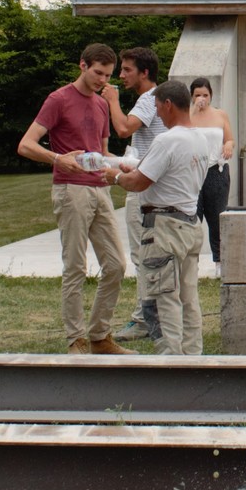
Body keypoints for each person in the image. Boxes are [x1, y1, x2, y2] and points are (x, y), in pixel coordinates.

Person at [18, 42, 133, 355]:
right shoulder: (58, 99)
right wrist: (58, 159)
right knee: (75, 267)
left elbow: (103, 150)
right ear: (82, 65)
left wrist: (120, 163)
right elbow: (26, 145)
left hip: (100, 188)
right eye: (98, 73)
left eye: (108, 76)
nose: (102, 80)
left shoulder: (100, 104)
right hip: (71, 189)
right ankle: (76, 340)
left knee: (116, 265)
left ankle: (99, 336)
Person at [107, 80, 212, 355]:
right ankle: (192, 356)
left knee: (162, 296)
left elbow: (139, 183)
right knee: (189, 297)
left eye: (157, 108)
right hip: (190, 222)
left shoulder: (167, 139)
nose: (157, 115)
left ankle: (171, 359)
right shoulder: (199, 138)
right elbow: (169, 171)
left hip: (164, 227)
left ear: (167, 105)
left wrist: (115, 177)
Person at [108, 45, 167, 341]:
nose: (121, 76)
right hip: (155, 185)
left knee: (142, 255)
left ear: (145, 72)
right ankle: (157, 315)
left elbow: (122, 128)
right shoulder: (158, 99)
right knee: (154, 255)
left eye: (127, 69)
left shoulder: (147, 99)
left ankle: (143, 319)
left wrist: (112, 100)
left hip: (143, 189)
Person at [189, 78, 236, 263]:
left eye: (205, 95)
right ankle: (192, 262)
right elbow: (180, 132)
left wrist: (229, 146)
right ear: (191, 97)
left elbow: (229, 138)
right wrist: (193, 110)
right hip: (193, 171)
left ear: (211, 96)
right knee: (192, 218)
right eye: (197, 95)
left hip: (217, 169)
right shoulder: (187, 115)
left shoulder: (220, 114)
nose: (202, 99)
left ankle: (219, 261)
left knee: (217, 218)